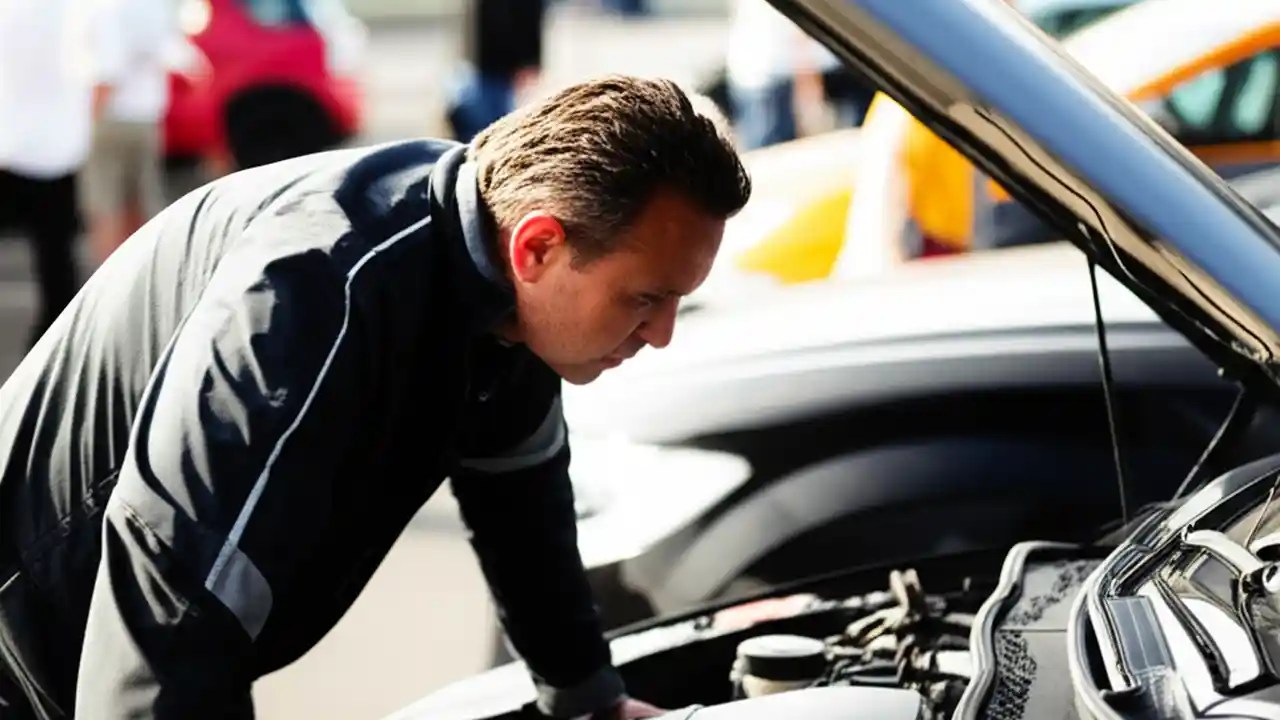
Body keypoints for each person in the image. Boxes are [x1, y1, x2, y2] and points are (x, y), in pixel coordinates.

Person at [0, 75, 751, 719]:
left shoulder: (496, 274)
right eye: (646, 298)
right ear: (538, 247)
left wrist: (587, 698)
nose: (661, 334)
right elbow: (173, 602)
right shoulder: (311, 296)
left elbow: (523, 509)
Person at [0, 0, 91, 348]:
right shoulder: (73, 10)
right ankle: (55, 346)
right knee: (56, 258)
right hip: (57, 147)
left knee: (56, 258)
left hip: (20, 144)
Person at [77, 0, 186, 265]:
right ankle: (148, 278)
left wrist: (86, 121)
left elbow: (108, 72)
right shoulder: (157, 8)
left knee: (106, 207)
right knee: (141, 204)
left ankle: (108, 289)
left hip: (112, 116)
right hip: (147, 115)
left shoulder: (111, 8)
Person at [446, 0, 547, 143]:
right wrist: (529, 60)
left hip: (488, 64)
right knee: (492, 129)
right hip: (491, 65)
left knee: (486, 125)